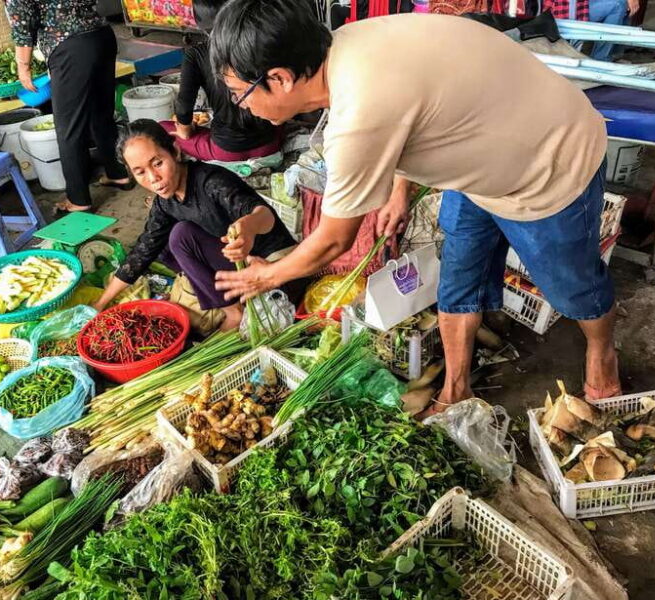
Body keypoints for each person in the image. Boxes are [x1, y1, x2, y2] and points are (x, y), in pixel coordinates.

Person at [209, 3, 620, 415]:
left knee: (572, 286)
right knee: (458, 280)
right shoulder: (352, 43)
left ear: (279, 79)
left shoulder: (358, 111)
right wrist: (398, 187)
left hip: (551, 161)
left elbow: (334, 240)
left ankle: (602, 351)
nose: (239, 105)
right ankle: (456, 390)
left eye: (238, 93)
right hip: (480, 163)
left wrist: (268, 276)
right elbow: (419, 106)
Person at [92, 120, 300, 331]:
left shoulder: (211, 182)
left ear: (174, 150)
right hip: (235, 270)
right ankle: (222, 296)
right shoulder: (165, 202)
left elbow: (263, 214)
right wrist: (100, 303)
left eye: (157, 163)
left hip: (271, 269)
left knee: (181, 236)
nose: (153, 178)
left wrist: (248, 226)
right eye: (140, 172)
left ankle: (233, 313)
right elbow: (142, 253)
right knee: (159, 243)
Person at [7, 0, 131, 215]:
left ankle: (78, 199)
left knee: (69, 128)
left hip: (69, 47)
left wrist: (23, 66)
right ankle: (117, 173)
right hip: (100, 35)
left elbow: (22, 22)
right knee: (100, 115)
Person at [159, 0, 281, 162]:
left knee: (162, 126)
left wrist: (185, 130)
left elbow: (184, 105)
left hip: (226, 150)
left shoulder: (196, 54)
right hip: (271, 143)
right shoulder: (259, 42)